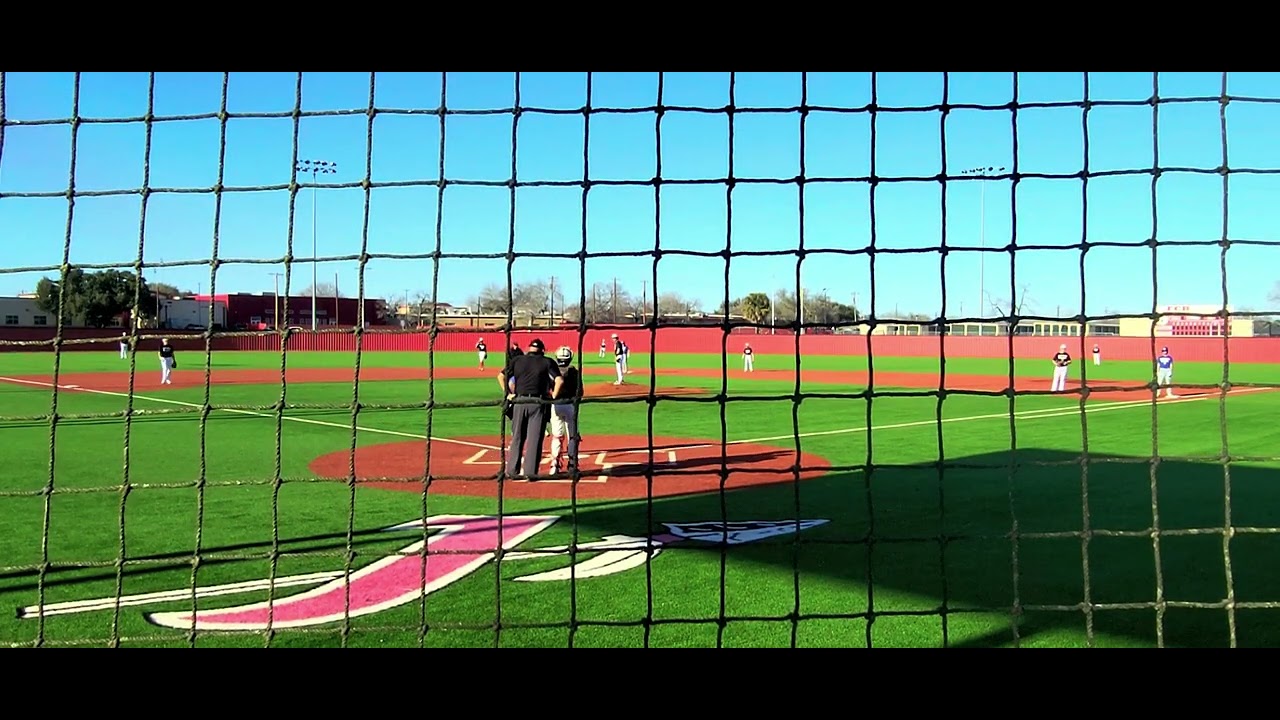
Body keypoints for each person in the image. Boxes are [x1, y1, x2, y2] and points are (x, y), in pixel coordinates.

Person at [498, 338, 562, 480]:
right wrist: (553, 397)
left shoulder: (518, 360)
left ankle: (512, 471)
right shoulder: (547, 361)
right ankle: (530, 473)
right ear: (542, 350)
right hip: (538, 402)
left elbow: (501, 376)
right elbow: (559, 380)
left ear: (529, 349)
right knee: (535, 439)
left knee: (517, 437)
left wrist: (508, 394)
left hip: (519, 401)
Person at [548, 346, 583, 475]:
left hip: (556, 405)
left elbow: (549, 390)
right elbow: (580, 392)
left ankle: (555, 465)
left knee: (557, 436)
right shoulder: (574, 372)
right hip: (570, 405)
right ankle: (572, 465)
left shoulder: (552, 372)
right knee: (573, 436)